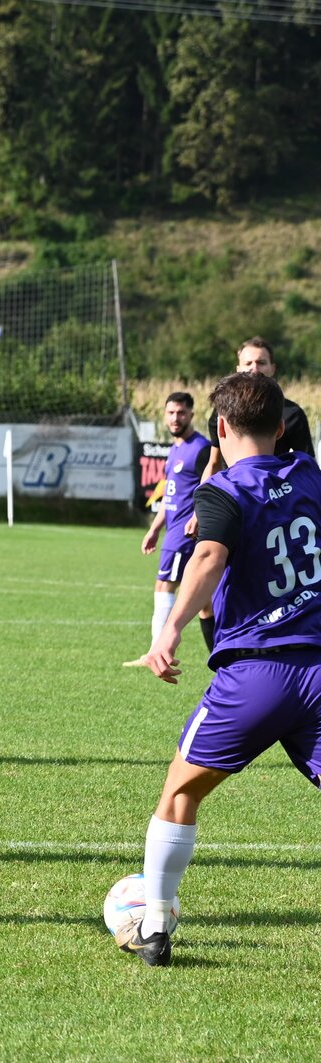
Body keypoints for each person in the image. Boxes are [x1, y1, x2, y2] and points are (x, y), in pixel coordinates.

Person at [123, 370, 321, 967]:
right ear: (281, 428)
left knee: (181, 790)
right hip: (318, 669)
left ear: (221, 427)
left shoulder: (224, 491)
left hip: (257, 676)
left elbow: (208, 555)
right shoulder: (310, 474)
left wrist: (169, 630)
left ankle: (154, 922)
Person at [140, 391, 215, 652]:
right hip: (172, 530)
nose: (175, 418)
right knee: (205, 602)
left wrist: (196, 517)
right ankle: (222, 657)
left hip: (184, 534)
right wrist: (154, 528)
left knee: (164, 585)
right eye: (171, 412)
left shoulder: (201, 449)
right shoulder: (175, 449)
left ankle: (156, 651)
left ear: (191, 414)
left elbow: (212, 487)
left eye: (181, 413)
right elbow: (170, 494)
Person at [204, 337, 313, 470]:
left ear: (273, 368)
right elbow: (214, 462)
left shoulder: (292, 414)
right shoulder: (223, 409)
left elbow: (307, 466)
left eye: (261, 362)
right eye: (248, 363)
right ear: (238, 368)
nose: (254, 368)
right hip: (232, 482)